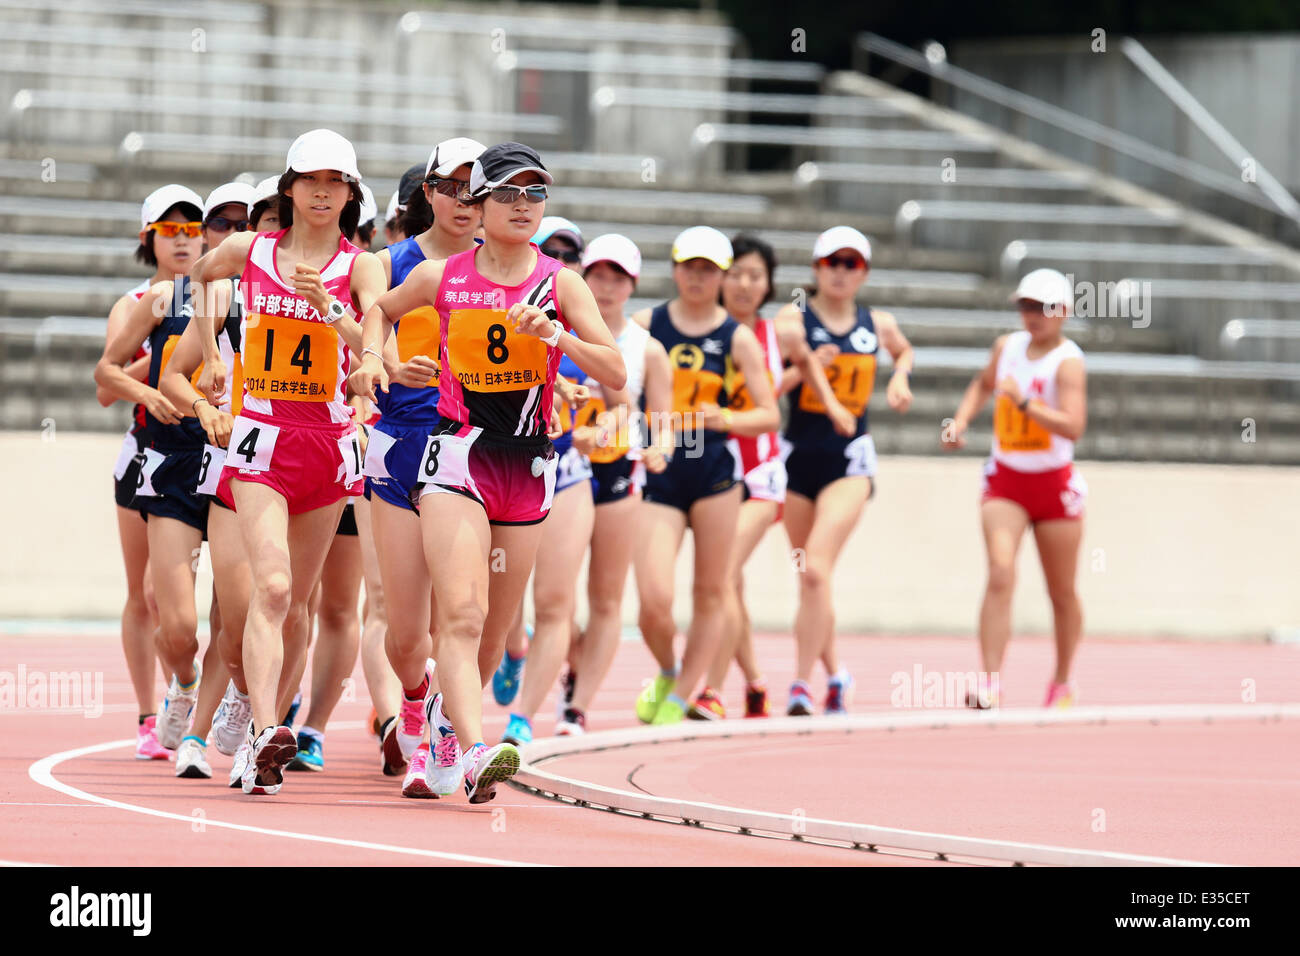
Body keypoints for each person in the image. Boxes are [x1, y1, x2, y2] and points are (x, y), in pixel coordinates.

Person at [352, 142, 626, 802]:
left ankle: (447, 730)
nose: (524, 204)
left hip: (528, 463)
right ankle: (473, 752)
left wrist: (557, 338)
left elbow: (615, 373)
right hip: (456, 456)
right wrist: (376, 361)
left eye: (536, 193)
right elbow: (379, 311)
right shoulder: (444, 277)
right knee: (464, 614)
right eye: (509, 192)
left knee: (495, 633)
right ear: (480, 201)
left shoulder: (561, 283)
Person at [191, 129, 387, 795]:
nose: (323, 190)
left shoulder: (362, 268)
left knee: (298, 604)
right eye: (310, 179)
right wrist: (215, 355)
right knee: (271, 588)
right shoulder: (251, 249)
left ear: (351, 193)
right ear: (290, 189)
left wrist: (332, 314)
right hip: (261, 438)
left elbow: (373, 345)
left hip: (326, 446)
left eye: (336, 180)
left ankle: (266, 718)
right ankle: (263, 732)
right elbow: (200, 272)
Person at [357, 138, 487, 796]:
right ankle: (414, 699)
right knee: (404, 630)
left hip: (467, 447)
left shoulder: (506, 269)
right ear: (428, 192)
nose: (464, 201)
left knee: (459, 617)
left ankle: (447, 735)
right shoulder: (391, 261)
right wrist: (380, 366)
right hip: (399, 439)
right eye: (451, 187)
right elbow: (367, 326)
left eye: (476, 189)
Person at [691, 233, 852, 720]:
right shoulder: (699, 330)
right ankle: (756, 683)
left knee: (719, 574)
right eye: (735, 273)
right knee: (731, 583)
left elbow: (801, 366)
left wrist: (831, 402)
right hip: (712, 472)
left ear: (768, 284)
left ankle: (712, 690)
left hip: (761, 475)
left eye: (755, 276)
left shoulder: (779, 332)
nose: (744, 284)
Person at [630, 226, 780, 725]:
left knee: (712, 590)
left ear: (720, 275)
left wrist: (726, 419)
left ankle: (684, 695)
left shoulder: (736, 337)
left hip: (715, 472)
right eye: (689, 267)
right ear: (674, 269)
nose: (697, 278)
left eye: (707, 269)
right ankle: (671, 668)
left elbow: (769, 414)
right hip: (661, 471)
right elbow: (620, 391)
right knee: (654, 599)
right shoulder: (646, 324)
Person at [778, 226, 913, 716]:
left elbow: (904, 351)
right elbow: (779, 378)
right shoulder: (792, 319)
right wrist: (814, 370)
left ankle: (799, 684)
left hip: (849, 459)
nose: (839, 271)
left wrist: (899, 376)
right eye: (832, 262)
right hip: (797, 456)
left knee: (815, 566)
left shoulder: (877, 323)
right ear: (816, 268)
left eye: (850, 263)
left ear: (864, 273)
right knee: (811, 578)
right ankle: (836, 674)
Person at [942, 268, 1087, 709]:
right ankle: (989, 682)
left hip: (1054, 484)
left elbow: (1074, 426)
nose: (1033, 317)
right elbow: (983, 385)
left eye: (1043, 308)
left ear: (1062, 312)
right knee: (1001, 573)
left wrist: (1026, 404)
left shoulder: (1067, 362)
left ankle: (1061, 681)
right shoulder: (1007, 348)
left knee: (1061, 591)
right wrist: (960, 420)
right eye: (1026, 307)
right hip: (1007, 478)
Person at [95, 184, 203, 761]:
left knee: (173, 597)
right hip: (146, 450)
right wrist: (159, 352)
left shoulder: (216, 296)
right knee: (144, 593)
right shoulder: (138, 300)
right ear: (150, 238)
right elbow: (104, 388)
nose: (183, 241)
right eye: (171, 231)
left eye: (193, 229)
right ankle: (147, 712)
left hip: (202, 447)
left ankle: (184, 698)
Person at [557, 234, 672, 734]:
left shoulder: (647, 348)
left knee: (606, 597)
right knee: (554, 598)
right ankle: (564, 656)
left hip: (619, 473)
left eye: (618, 278)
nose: (606, 287)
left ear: (633, 284)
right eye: (598, 275)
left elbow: (664, 422)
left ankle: (577, 707)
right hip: (557, 467)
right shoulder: (557, 328)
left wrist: (659, 447)